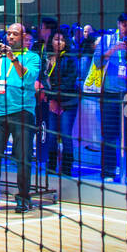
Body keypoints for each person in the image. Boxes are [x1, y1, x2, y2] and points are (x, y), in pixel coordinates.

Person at [0, 21, 41, 212]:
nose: (10, 37)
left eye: (15, 34)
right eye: (8, 33)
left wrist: (14, 59)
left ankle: (23, 198)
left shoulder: (32, 57)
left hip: (22, 112)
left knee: (23, 158)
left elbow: (28, 79)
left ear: (24, 37)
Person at [95, 12, 127, 182]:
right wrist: (113, 49)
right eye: (124, 25)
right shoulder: (106, 40)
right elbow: (97, 62)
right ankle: (108, 172)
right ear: (118, 24)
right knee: (109, 134)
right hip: (110, 93)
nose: (126, 29)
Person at [37, 27, 80, 176]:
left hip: (68, 103)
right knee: (51, 136)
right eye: (56, 39)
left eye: (62, 40)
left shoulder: (71, 58)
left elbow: (69, 82)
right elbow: (42, 79)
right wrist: (51, 99)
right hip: (51, 102)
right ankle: (51, 166)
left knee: (66, 135)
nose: (59, 42)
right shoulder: (46, 58)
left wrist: (55, 99)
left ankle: (67, 168)